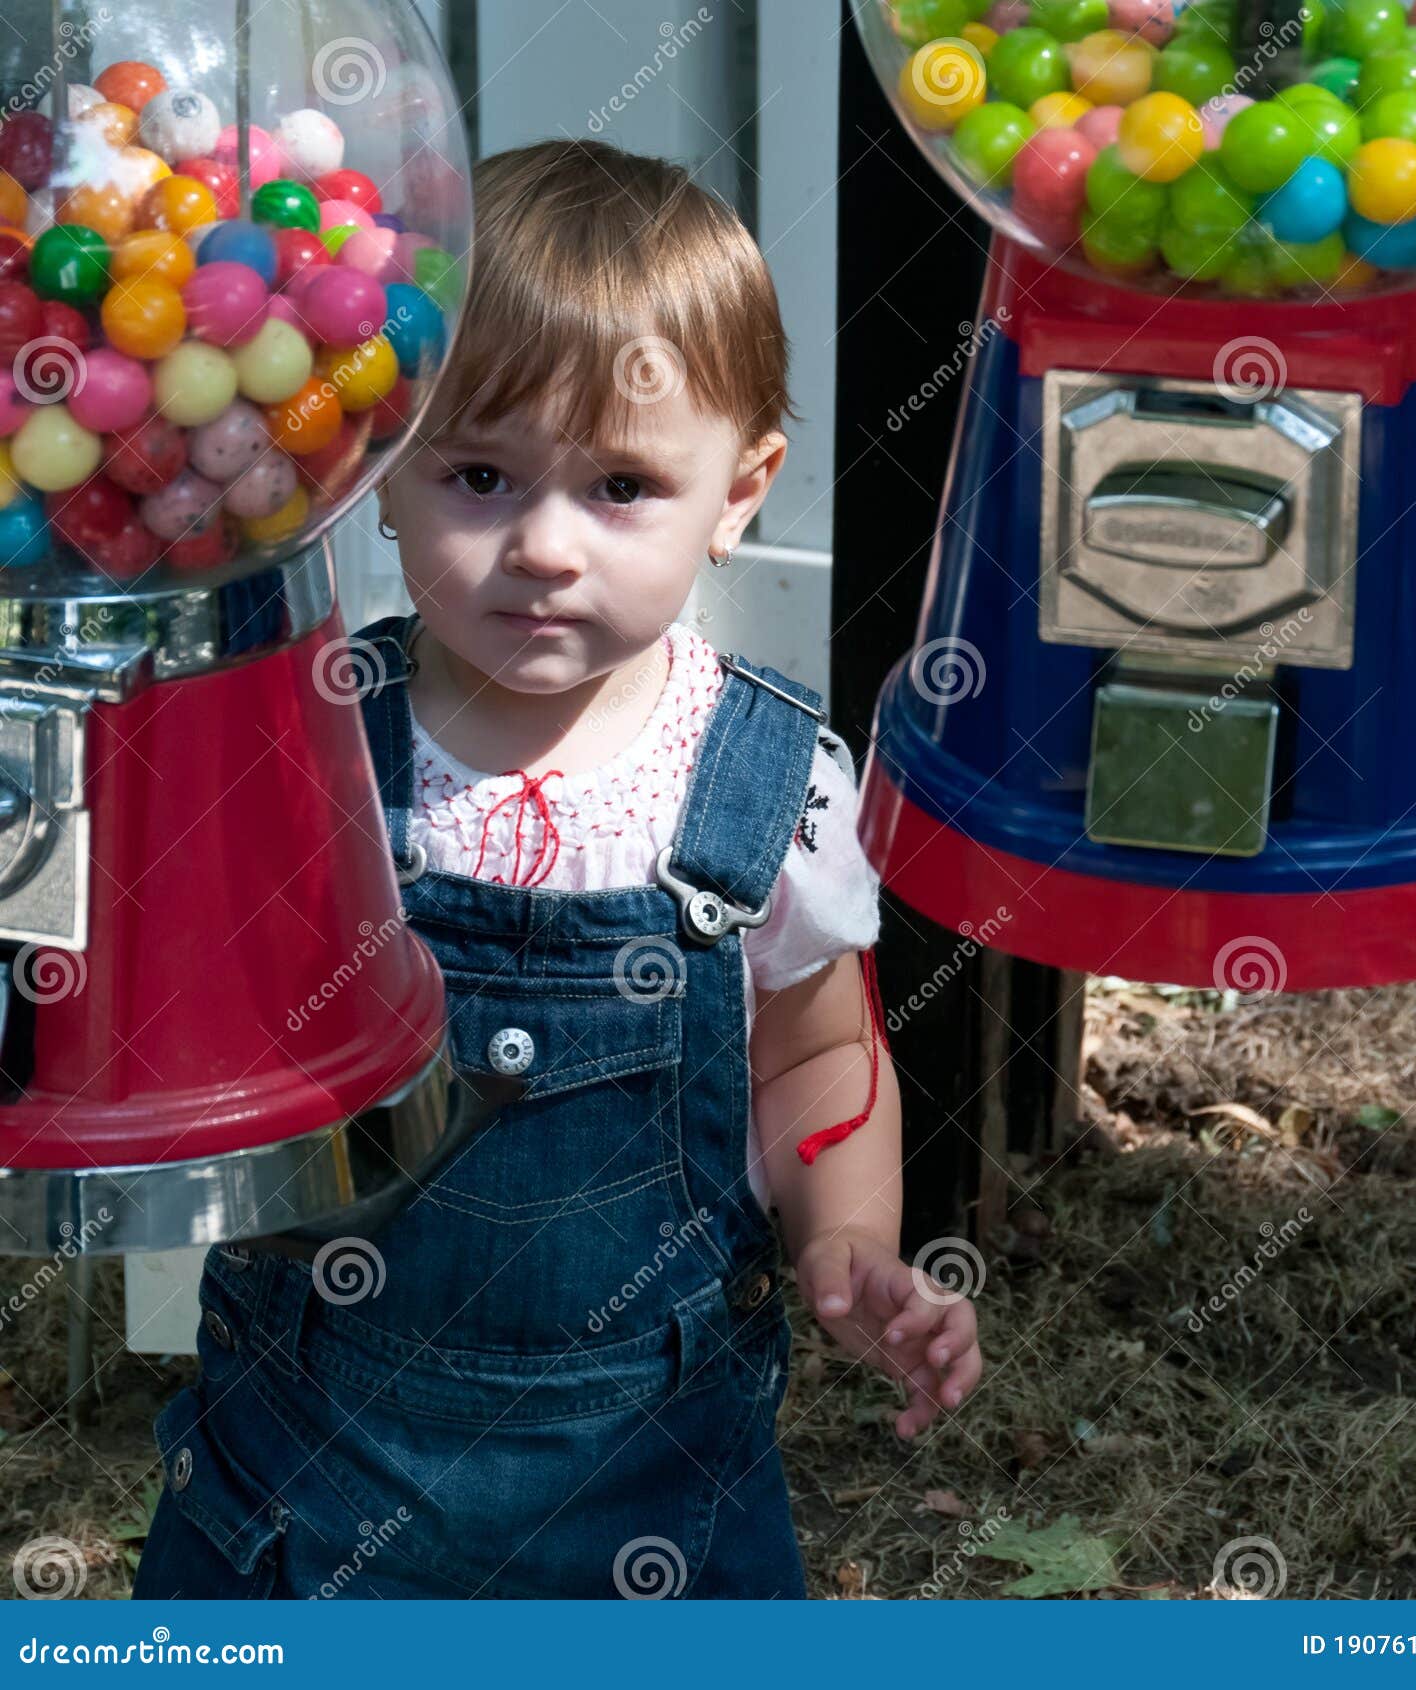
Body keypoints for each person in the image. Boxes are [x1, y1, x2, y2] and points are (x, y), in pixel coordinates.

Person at [133, 139, 982, 1601]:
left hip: (648, 1474)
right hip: (314, 1453)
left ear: (741, 492)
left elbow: (816, 1054)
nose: (542, 545)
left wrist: (851, 1239)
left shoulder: (767, 788)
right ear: (376, 471)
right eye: (478, 473)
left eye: (622, 486)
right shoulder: (309, 743)